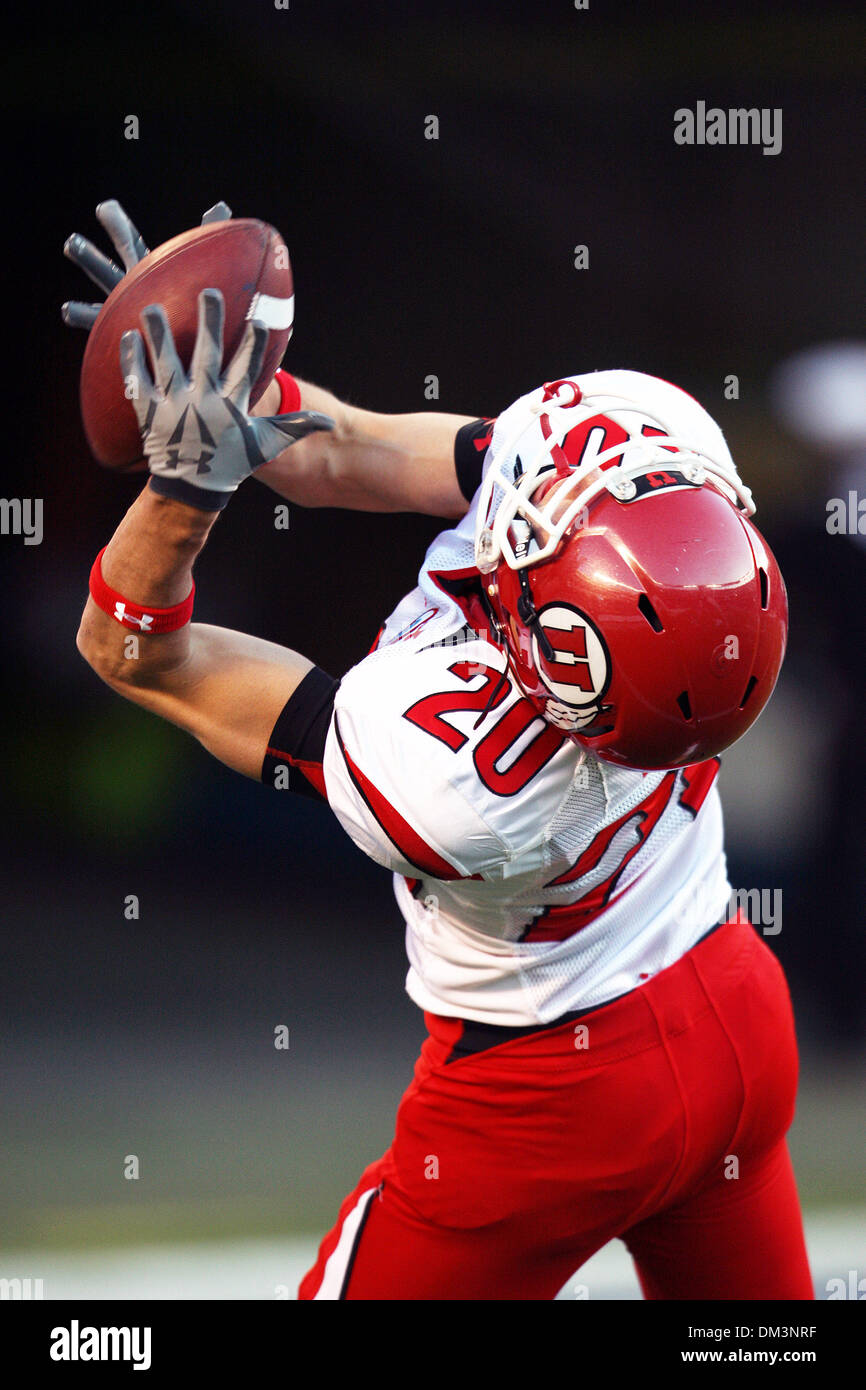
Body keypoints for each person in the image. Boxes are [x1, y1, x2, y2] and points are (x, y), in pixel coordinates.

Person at [67, 202, 813, 1301]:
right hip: (734, 1013)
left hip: (547, 1103)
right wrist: (225, 383)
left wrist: (184, 492)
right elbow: (355, 446)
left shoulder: (457, 784)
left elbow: (137, 653)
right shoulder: (647, 470)